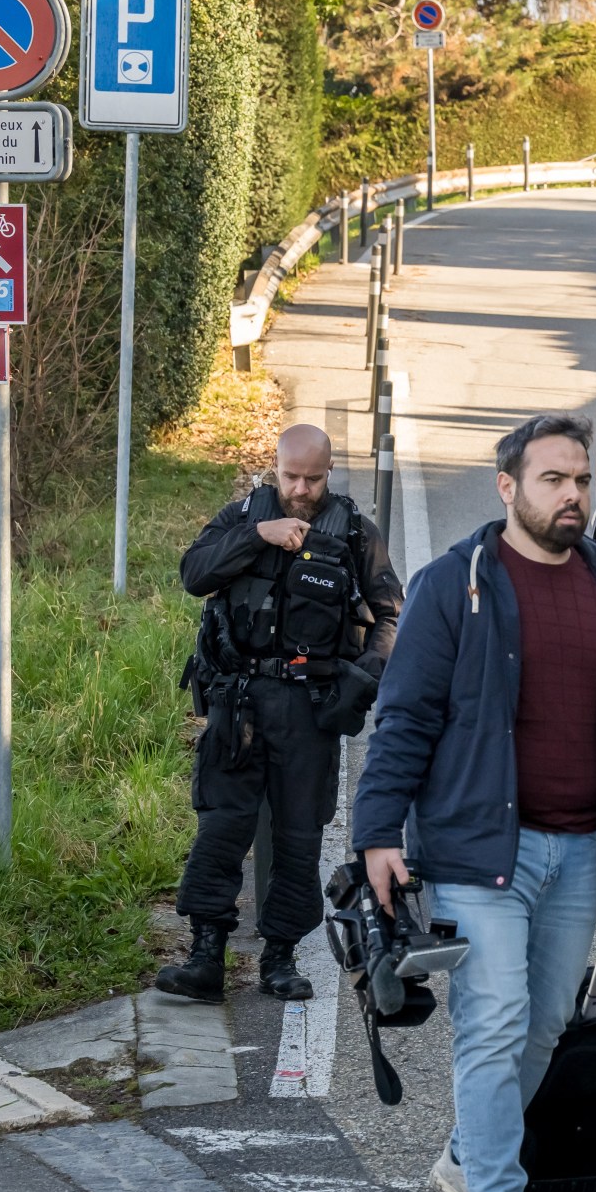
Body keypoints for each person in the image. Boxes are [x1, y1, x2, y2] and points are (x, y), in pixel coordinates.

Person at [350, 412, 596, 1192]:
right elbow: (405, 718)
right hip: (476, 851)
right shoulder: (454, 584)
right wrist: (377, 833)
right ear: (509, 489)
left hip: (577, 850)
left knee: (543, 1027)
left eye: (581, 479)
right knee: (494, 1021)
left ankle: (468, 1153)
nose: (572, 494)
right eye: (553, 480)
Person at [159, 424, 402, 1005]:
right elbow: (194, 574)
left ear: (330, 472)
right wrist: (258, 536)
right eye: (290, 476)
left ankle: (280, 958)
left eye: (312, 478)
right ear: (275, 466)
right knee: (221, 826)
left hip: (309, 709)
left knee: (298, 837)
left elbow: (391, 617)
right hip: (237, 702)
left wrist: (360, 682)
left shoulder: (353, 531)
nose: (299, 489)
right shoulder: (245, 513)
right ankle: (204, 956)